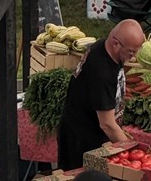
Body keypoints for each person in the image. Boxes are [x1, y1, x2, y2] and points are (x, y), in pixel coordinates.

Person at [57, 18, 145, 169]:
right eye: (131, 52)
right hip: (82, 141)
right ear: (116, 43)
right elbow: (107, 124)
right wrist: (133, 153)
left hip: (79, 127)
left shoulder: (103, 46)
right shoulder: (102, 73)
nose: (133, 56)